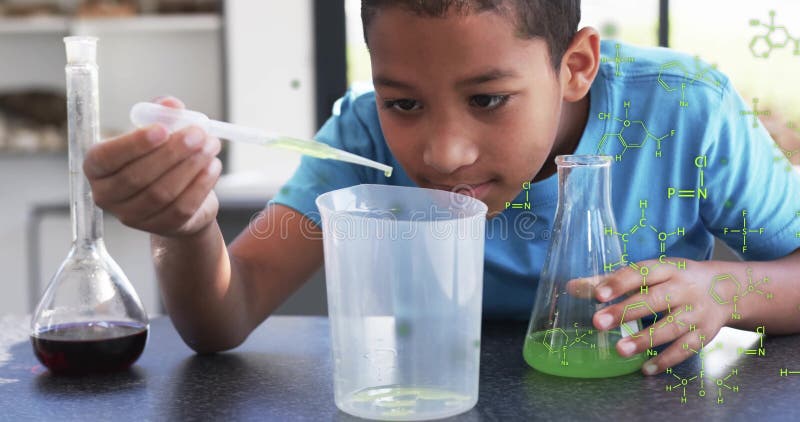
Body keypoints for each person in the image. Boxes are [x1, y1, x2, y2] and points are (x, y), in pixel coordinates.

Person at [84, 0, 800, 376]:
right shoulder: (361, 136)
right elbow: (224, 316)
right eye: (404, 102)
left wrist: (723, 291)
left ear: (576, 65)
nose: (442, 152)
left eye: (488, 100)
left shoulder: (688, 114)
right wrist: (185, 228)